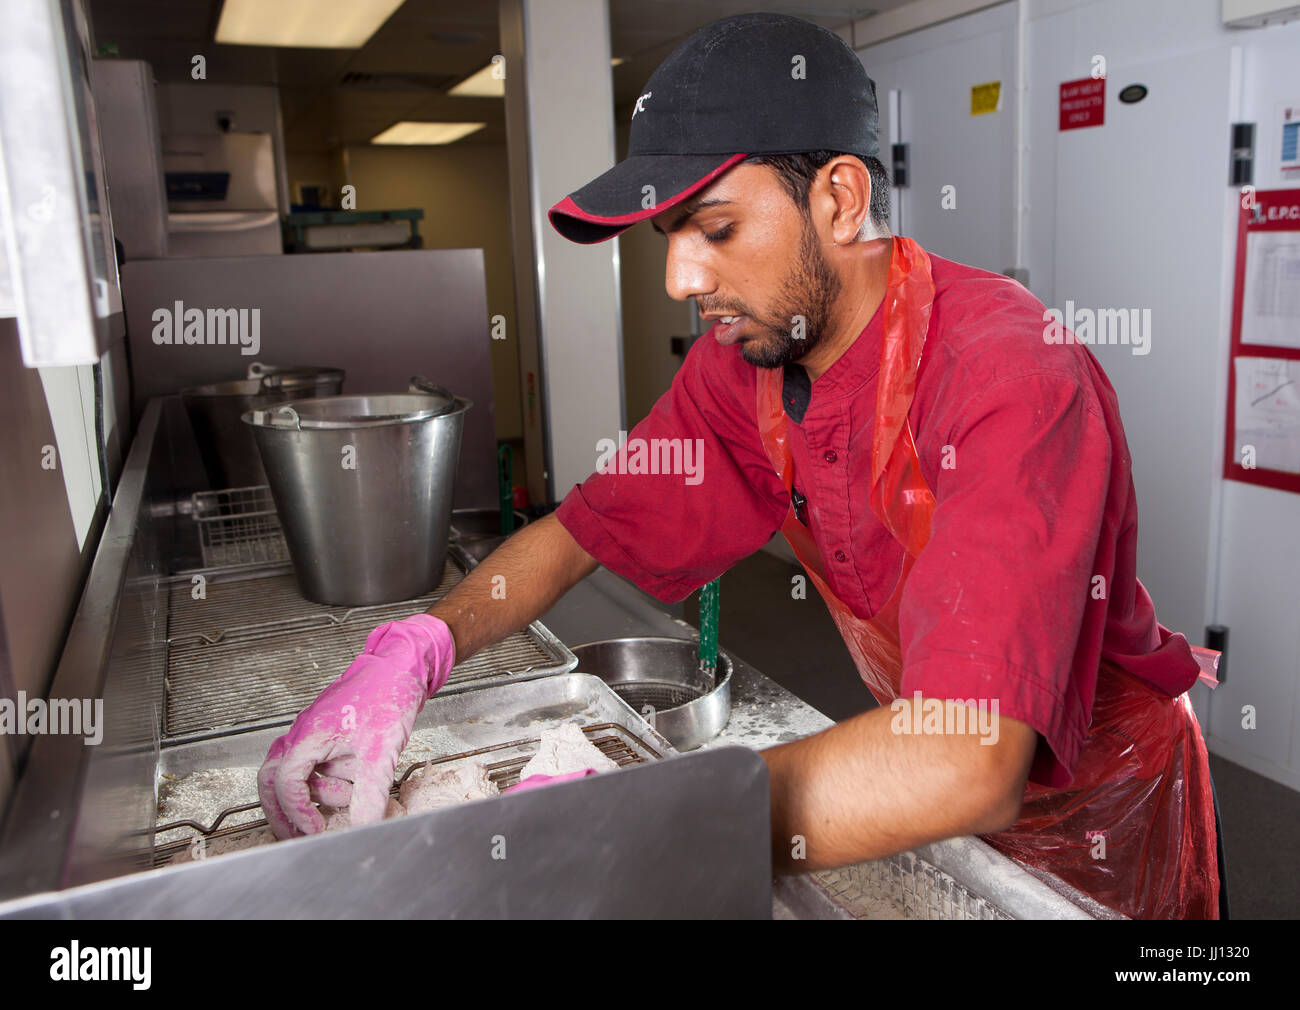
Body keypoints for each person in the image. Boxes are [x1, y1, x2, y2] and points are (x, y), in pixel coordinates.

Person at [259, 12, 1221, 919]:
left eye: (714, 229)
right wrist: (414, 651)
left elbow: (967, 757)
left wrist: (650, 819)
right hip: (915, 764)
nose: (681, 280)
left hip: (1100, 806)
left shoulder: (1011, 375)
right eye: (665, 239)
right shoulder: (744, 369)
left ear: (839, 198)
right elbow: (577, 533)